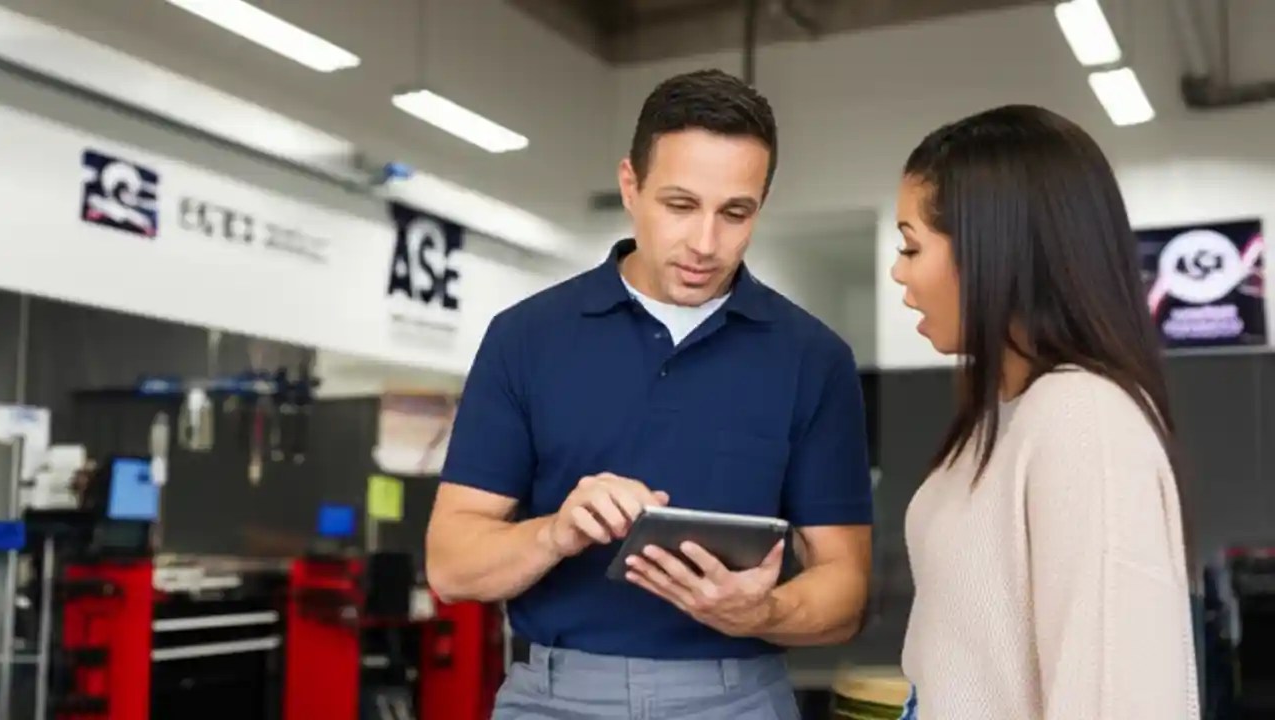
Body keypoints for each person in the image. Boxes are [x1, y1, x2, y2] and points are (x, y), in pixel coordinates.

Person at [426, 68, 874, 719]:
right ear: (630, 186)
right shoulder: (526, 338)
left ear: (760, 207)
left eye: (735, 213)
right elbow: (449, 565)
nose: (704, 243)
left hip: (738, 697)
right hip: (553, 698)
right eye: (680, 205)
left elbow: (846, 590)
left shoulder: (814, 359)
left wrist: (762, 609)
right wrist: (556, 533)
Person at [890, 104, 1200, 720]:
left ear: (989, 251)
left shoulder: (1083, 419)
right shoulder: (1000, 417)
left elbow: (1118, 697)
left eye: (911, 245)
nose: (899, 272)